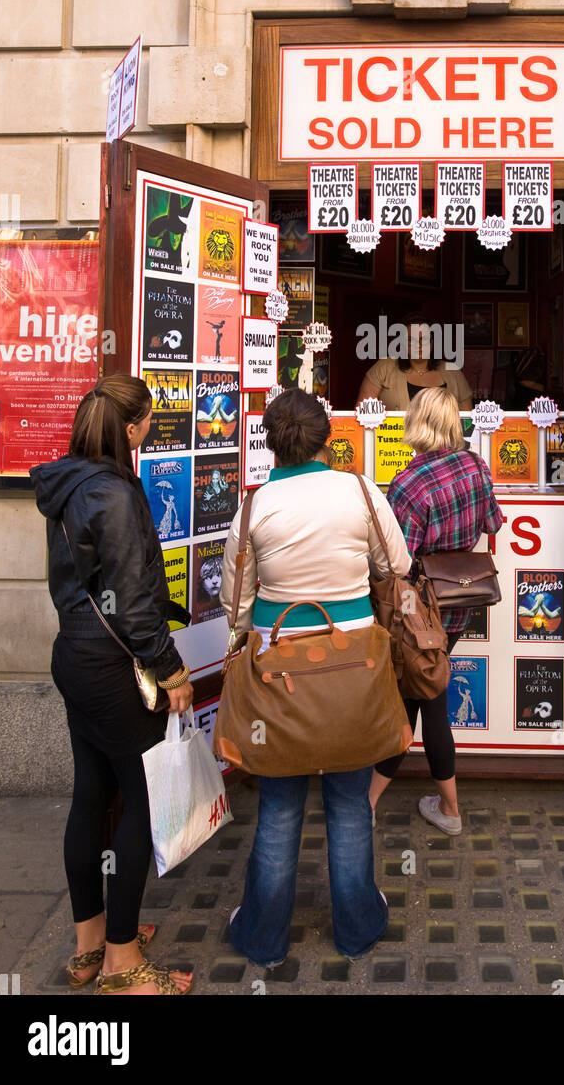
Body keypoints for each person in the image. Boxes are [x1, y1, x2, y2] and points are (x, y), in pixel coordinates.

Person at [220, 387, 412, 967]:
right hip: (355, 670)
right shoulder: (359, 491)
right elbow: (396, 567)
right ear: (328, 437)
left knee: (279, 805)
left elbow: (235, 603)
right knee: (351, 804)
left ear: (270, 443)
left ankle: (264, 938)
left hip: (281, 676)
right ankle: (356, 927)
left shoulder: (254, 508)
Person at [30, 374, 194, 997]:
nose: (152, 429)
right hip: (115, 666)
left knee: (90, 795)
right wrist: (171, 671)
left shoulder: (68, 484)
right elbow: (131, 605)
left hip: (74, 654)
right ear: (130, 430)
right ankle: (123, 966)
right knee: (140, 802)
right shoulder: (114, 495)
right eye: (148, 421)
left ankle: (89, 945)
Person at [369, 387, 504, 836]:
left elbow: (398, 563)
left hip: (416, 614)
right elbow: (493, 523)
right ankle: (442, 807)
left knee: (415, 702)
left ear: (416, 422)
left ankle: (389, 807)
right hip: (458, 606)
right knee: (424, 698)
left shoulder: (410, 483)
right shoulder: (477, 466)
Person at [356, 314, 473, 410]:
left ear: (433, 343)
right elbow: (363, 413)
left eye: (424, 340)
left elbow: (468, 425)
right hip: (395, 438)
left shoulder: (453, 371)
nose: (419, 345)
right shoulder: (384, 367)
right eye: (411, 340)